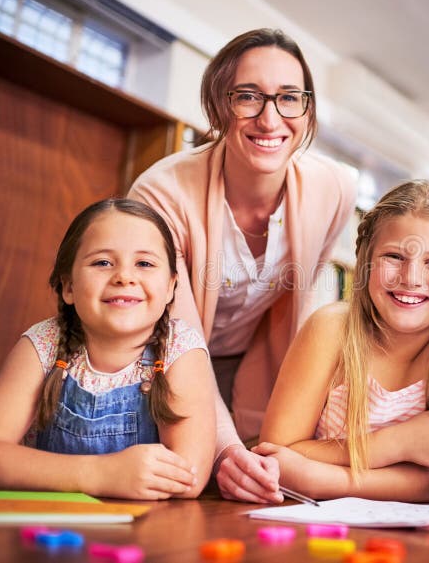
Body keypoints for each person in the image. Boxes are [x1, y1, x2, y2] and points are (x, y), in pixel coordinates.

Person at [128, 28, 357, 503]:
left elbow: (304, 296)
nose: (270, 118)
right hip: (155, 365)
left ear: (306, 109)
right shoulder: (161, 196)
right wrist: (227, 448)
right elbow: (179, 340)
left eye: (289, 98)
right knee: (171, 491)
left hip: (251, 365)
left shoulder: (335, 188)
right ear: (217, 106)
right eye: (248, 96)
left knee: (248, 495)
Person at [254, 180, 429, 502]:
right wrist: (395, 443)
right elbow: (276, 455)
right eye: (394, 256)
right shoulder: (332, 330)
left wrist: (317, 477)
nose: (411, 278)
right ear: (367, 259)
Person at [0, 199, 217, 499]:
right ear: (68, 286)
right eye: (102, 262)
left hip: (142, 536)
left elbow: (188, 477)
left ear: (170, 287)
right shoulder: (44, 343)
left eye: (144, 263)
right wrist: (101, 473)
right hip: (43, 532)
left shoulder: (179, 349)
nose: (124, 277)